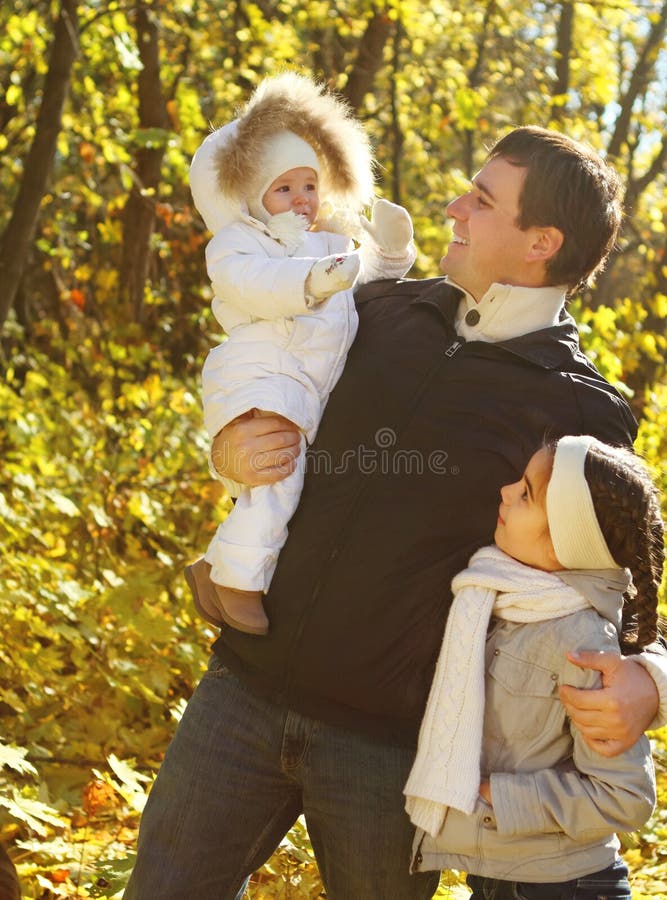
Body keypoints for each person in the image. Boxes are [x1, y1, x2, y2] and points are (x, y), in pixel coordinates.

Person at [124, 126, 667, 900]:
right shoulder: (374, 310)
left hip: (390, 751)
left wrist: (650, 678)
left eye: (481, 201)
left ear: (540, 242)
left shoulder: (579, 408)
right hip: (240, 693)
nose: (453, 208)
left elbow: (618, 581)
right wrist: (228, 448)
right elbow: (267, 378)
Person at [185, 72, 416, 634]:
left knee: (290, 477)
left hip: (303, 380)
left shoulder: (329, 241)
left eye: (309, 185)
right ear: (252, 196)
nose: (301, 199)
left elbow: (360, 284)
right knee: (278, 471)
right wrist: (311, 280)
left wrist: (391, 252)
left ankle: (215, 567)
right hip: (263, 370)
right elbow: (253, 284)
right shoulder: (240, 243)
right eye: (284, 189)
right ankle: (236, 581)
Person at [405, 435, 662, 898]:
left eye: (525, 494)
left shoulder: (580, 640)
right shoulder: (504, 597)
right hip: (511, 879)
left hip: (563, 886)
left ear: (563, 542)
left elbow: (625, 798)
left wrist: (493, 796)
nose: (505, 491)